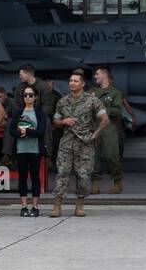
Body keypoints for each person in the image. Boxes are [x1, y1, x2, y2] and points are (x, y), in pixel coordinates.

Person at [50, 69, 108, 218]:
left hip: (85, 144)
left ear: (82, 84)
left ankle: (80, 205)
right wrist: (63, 121)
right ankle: (57, 206)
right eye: (70, 81)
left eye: (75, 81)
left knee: (83, 176)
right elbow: (55, 121)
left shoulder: (92, 100)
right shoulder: (62, 101)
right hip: (67, 143)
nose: (72, 83)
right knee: (62, 174)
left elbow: (105, 119)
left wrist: (94, 135)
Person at [90, 66, 133, 193]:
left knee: (111, 155)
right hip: (94, 126)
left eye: (97, 74)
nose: (95, 76)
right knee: (94, 157)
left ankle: (117, 181)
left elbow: (118, 110)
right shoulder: (92, 92)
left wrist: (101, 109)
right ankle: (94, 183)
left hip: (110, 127)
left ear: (105, 75)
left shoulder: (115, 92)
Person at [9, 84, 47, 216]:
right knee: (22, 177)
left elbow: (42, 131)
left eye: (31, 95)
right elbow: (11, 130)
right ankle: (24, 206)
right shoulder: (18, 112)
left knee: (35, 177)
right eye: (25, 95)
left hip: (35, 149)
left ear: (35, 97)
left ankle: (35, 206)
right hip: (21, 149)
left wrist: (28, 131)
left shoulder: (40, 112)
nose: (28, 97)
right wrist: (21, 133)